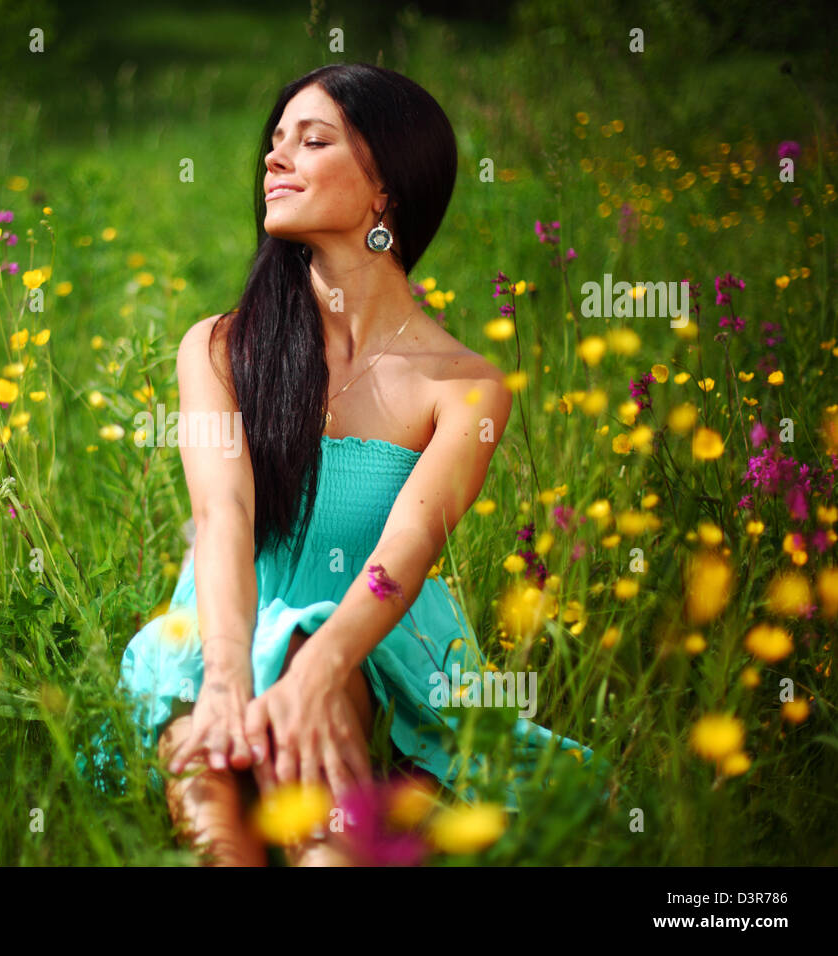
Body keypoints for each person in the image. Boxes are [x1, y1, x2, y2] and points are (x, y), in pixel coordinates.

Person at [79, 62, 599, 866]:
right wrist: (225, 679)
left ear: (386, 191)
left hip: (373, 642)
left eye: (312, 140)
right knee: (214, 804)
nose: (274, 160)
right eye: (274, 143)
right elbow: (224, 518)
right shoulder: (220, 347)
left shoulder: (465, 387)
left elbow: (409, 548)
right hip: (222, 630)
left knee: (324, 818)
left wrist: (318, 666)